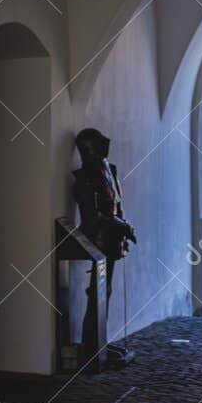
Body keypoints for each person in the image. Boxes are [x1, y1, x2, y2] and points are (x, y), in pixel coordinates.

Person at [73, 127, 137, 368]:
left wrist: (122, 225)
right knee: (97, 293)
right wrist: (123, 226)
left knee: (104, 291)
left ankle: (99, 341)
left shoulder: (106, 170)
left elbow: (113, 205)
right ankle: (92, 345)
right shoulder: (87, 177)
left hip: (110, 240)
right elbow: (95, 214)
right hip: (98, 239)